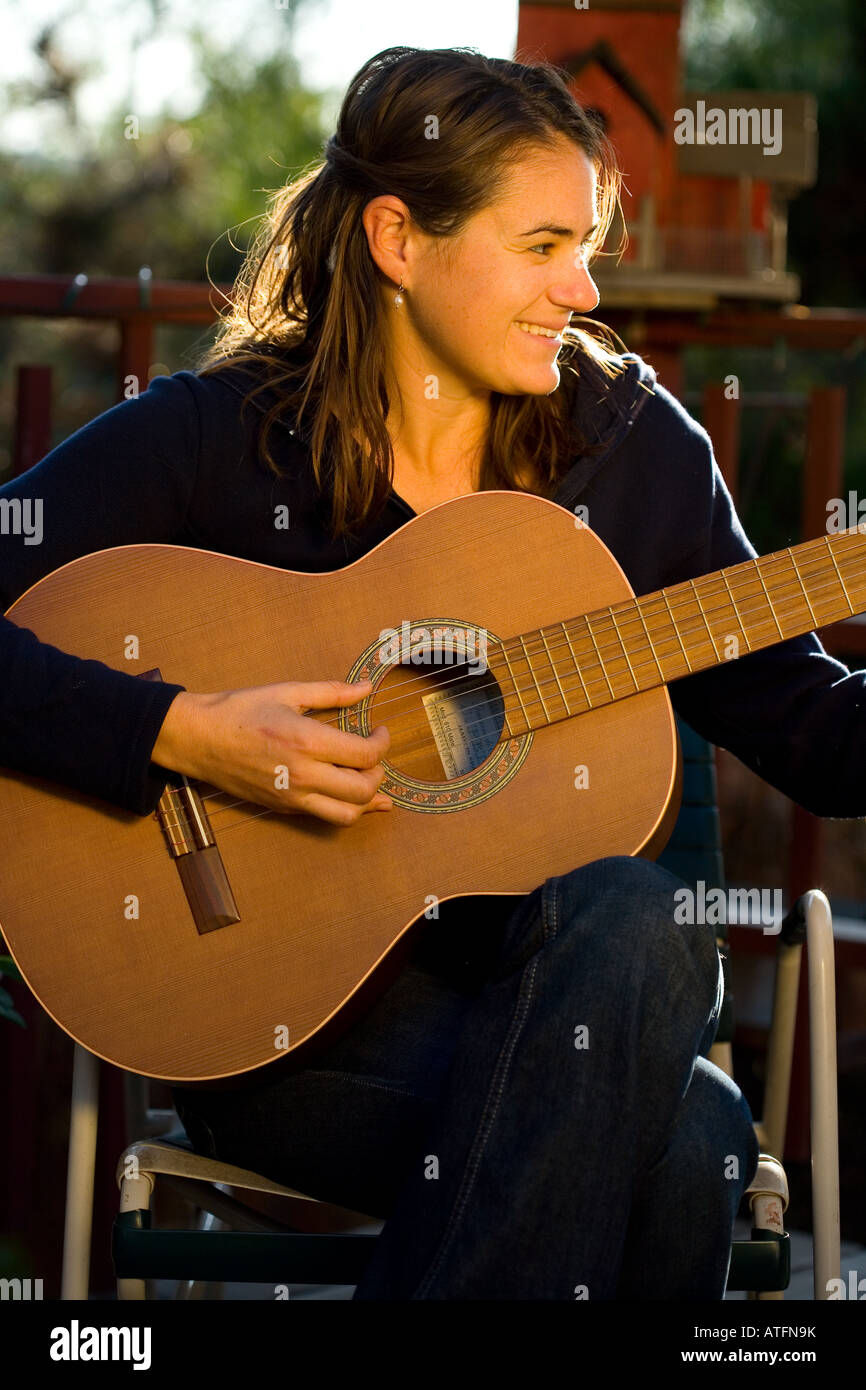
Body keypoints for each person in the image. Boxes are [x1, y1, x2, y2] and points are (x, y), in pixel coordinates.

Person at [2, 46, 864, 1300]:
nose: (580, 288)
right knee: (685, 1153)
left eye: (587, 246)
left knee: (632, 930)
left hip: (569, 1010)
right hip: (282, 1032)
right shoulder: (223, 439)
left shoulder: (632, 458)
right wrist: (181, 732)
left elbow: (813, 733)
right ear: (398, 239)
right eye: (541, 245)